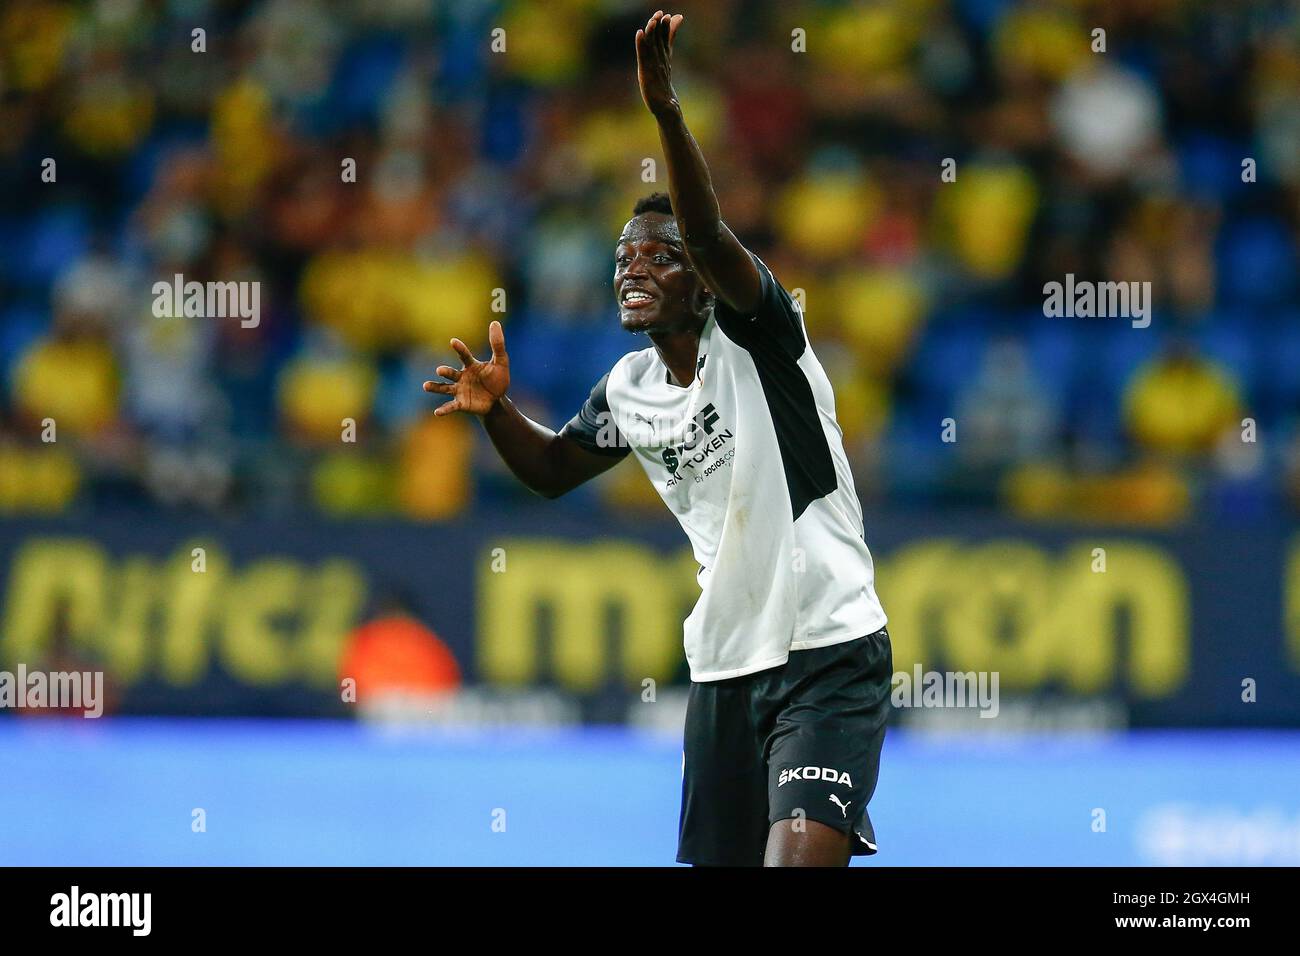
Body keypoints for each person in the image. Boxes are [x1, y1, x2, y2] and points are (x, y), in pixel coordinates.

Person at [424, 11, 891, 867]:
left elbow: (711, 236)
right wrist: (497, 413)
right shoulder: (629, 388)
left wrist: (668, 113)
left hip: (828, 649)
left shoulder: (761, 338)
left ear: (706, 286)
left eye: (661, 258)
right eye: (623, 259)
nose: (635, 268)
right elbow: (556, 470)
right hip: (722, 666)